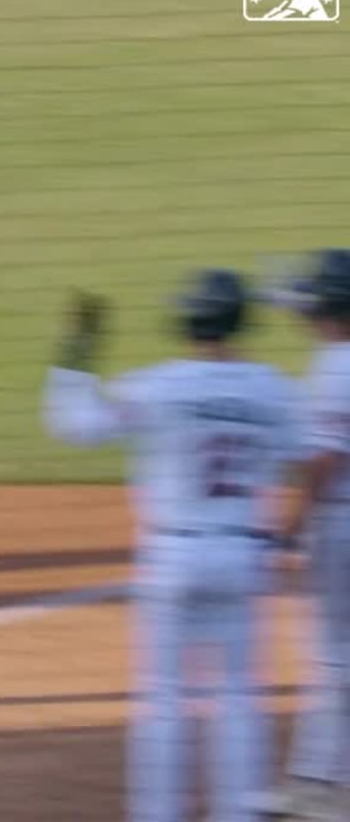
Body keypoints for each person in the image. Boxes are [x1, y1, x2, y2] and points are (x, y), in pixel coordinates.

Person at [41, 271, 301, 822]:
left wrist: (76, 352)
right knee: (238, 697)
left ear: (185, 319)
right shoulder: (272, 388)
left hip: (173, 557)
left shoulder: (158, 386)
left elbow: (72, 426)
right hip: (242, 554)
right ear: (241, 321)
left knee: (163, 698)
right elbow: (304, 451)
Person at [261, 248, 350, 821]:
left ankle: (321, 785)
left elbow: (324, 460)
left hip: (341, 522)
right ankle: (317, 780)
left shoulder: (335, 367)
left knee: (334, 656)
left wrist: (290, 529)